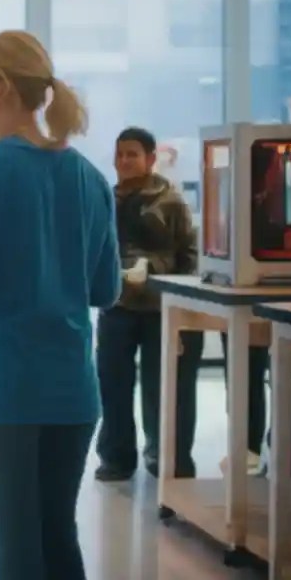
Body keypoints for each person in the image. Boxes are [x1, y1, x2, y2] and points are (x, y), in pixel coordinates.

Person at [0, 30, 120, 580]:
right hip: (70, 389)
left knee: (15, 547)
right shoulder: (90, 178)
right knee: (57, 538)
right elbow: (105, 291)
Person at [94, 127, 204, 482]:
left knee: (164, 388)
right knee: (112, 385)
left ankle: (165, 454)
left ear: (151, 158)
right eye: (120, 154)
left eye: (133, 154)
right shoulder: (105, 200)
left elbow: (189, 256)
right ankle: (116, 457)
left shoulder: (170, 202)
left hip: (161, 309)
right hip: (116, 306)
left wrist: (154, 271)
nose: (125, 161)